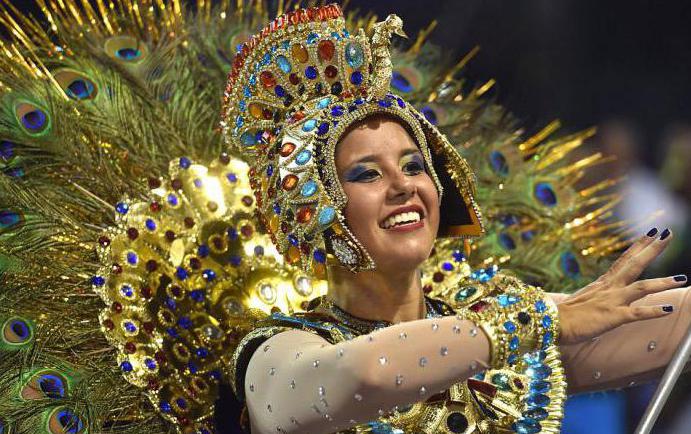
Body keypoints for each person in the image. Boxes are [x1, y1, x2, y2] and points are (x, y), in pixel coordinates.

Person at [221, 5, 691, 434]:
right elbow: (360, 375)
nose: (404, 185)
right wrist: (537, 320)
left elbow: (670, 327)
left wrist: (538, 321)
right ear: (312, 208)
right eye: (367, 174)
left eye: (413, 166)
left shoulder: (494, 319)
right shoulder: (274, 356)